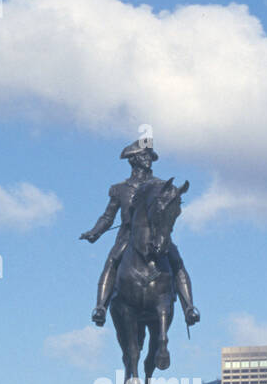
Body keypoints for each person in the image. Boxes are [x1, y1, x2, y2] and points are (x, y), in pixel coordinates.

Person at [81, 138, 199, 330]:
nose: (149, 159)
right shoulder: (119, 189)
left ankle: (189, 308)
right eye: (144, 156)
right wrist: (94, 232)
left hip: (156, 237)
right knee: (112, 261)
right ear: (133, 159)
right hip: (128, 237)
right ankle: (101, 307)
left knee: (177, 261)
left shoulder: (161, 185)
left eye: (150, 156)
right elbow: (108, 217)